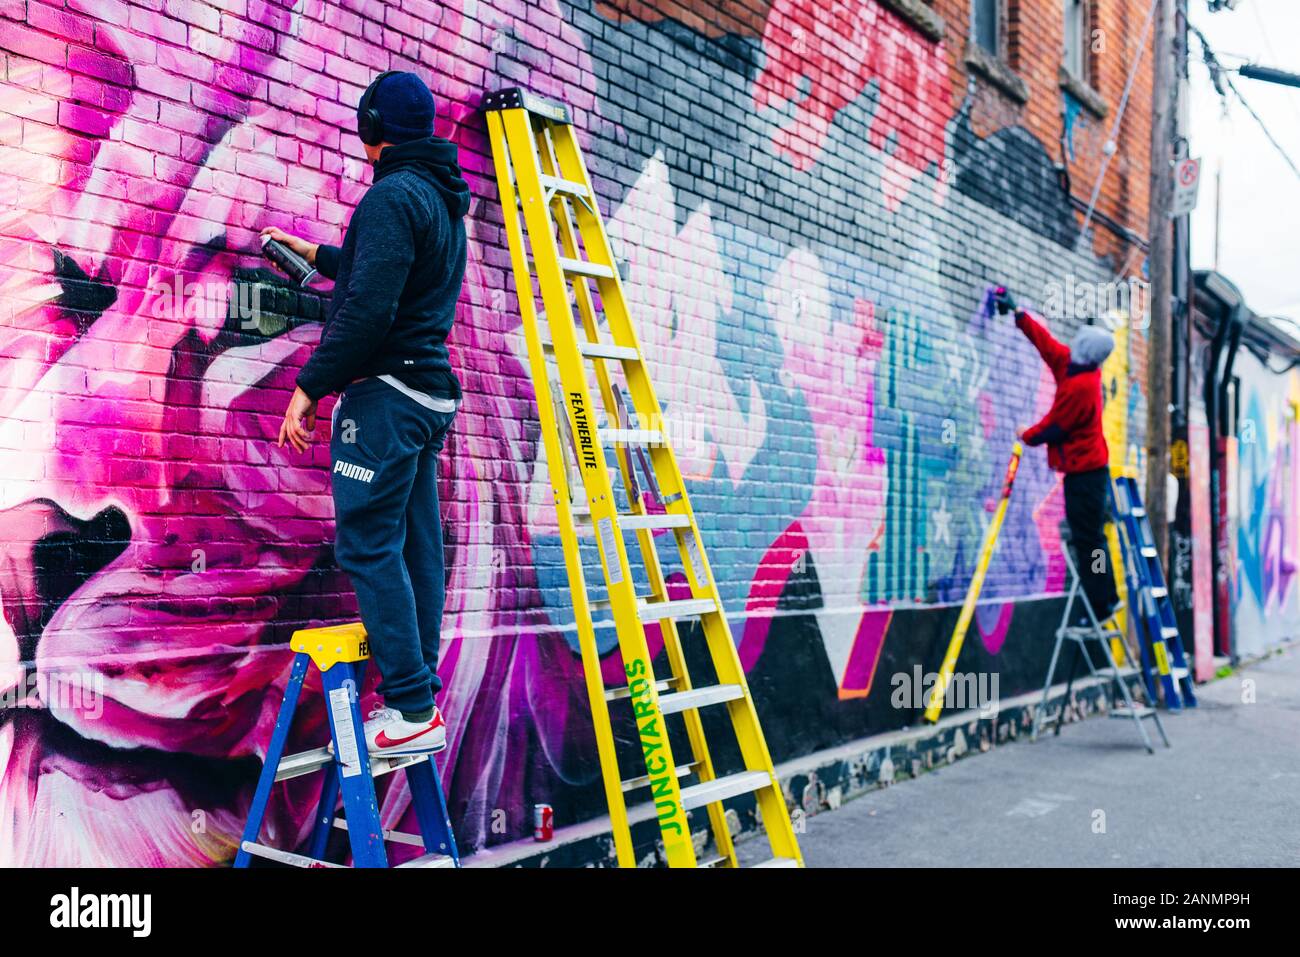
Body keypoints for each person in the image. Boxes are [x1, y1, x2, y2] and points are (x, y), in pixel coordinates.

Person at [266, 71, 471, 756]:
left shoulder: (390, 198)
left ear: (371, 126)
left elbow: (369, 309)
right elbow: (381, 272)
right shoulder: (438, 199)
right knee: (416, 542)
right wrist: (317, 254)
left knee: (366, 543)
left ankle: (410, 704)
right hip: (427, 394)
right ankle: (422, 699)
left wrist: (310, 386)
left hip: (387, 397)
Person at [993, 287, 1120, 625]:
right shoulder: (1070, 365)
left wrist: (1026, 434)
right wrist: (1018, 313)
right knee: (1090, 537)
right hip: (1081, 472)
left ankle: (1103, 603)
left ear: (1087, 351)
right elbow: (1045, 343)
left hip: (1088, 475)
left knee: (1088, 539)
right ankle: (1106, 597)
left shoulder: (1084, 387)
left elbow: (1055, 427)